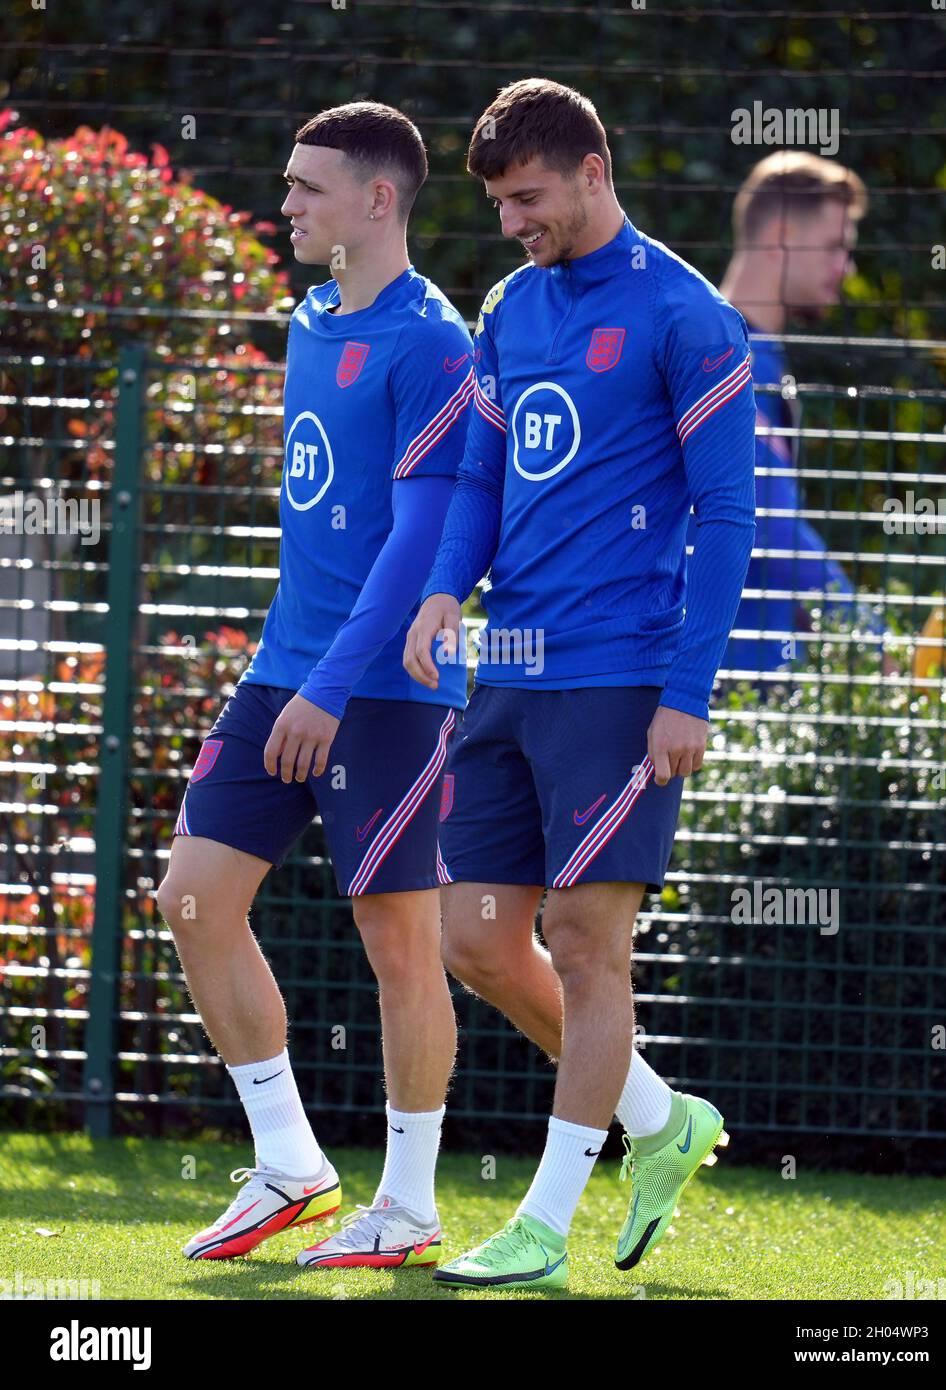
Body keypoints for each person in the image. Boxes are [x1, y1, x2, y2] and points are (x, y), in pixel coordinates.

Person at [403, 78, 755, 1290]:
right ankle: (662, 1121)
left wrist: (689, 689)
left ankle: (545, 1226)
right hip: (505, 664)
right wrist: (448, 588)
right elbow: (479, 483)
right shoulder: (508, 307)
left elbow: (727, 513)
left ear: (593, 172)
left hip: (621, 677)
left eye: (529, 197)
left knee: (582, 936)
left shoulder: (687, 317)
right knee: (477, 940)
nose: (512, 221)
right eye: (500, 202)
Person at [156, 102, 472, 1269]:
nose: (284, 202)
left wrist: (333, 687)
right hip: (285, 671)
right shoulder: (306, 318)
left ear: (378, 200)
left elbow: (420, 541)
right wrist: (297, 675)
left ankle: (410, 1203)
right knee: (191, 897)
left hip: (386, 689)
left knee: (399, 946)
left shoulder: (436, 341)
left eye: (306, 187)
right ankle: (291, 1164)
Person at [695, 151, 882, 678]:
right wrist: (878, 644)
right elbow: (772, 527)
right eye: (835, 246)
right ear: (780, 234)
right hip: (716, 693)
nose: (845, 267)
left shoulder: (745, 352)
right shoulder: (722, 359)